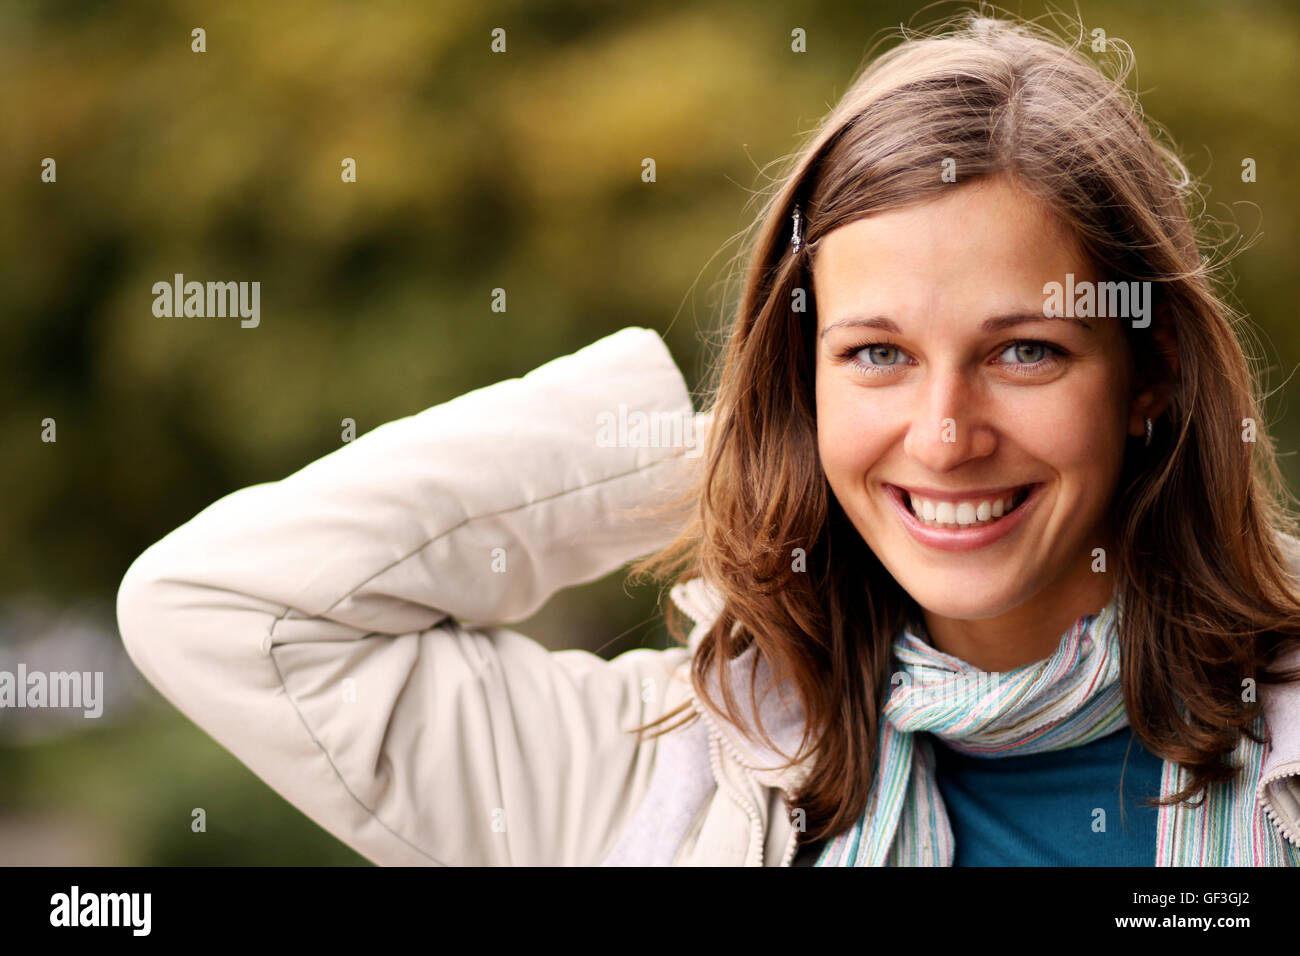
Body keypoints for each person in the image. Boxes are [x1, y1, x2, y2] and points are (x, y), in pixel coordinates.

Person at [115, 12, 1300, 866]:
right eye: (874, 353)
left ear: (1150, 377)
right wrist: (759, 453)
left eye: (1024, 350)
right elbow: (219, 602)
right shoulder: (652, 769)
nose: (942, 436)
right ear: (800, 379)